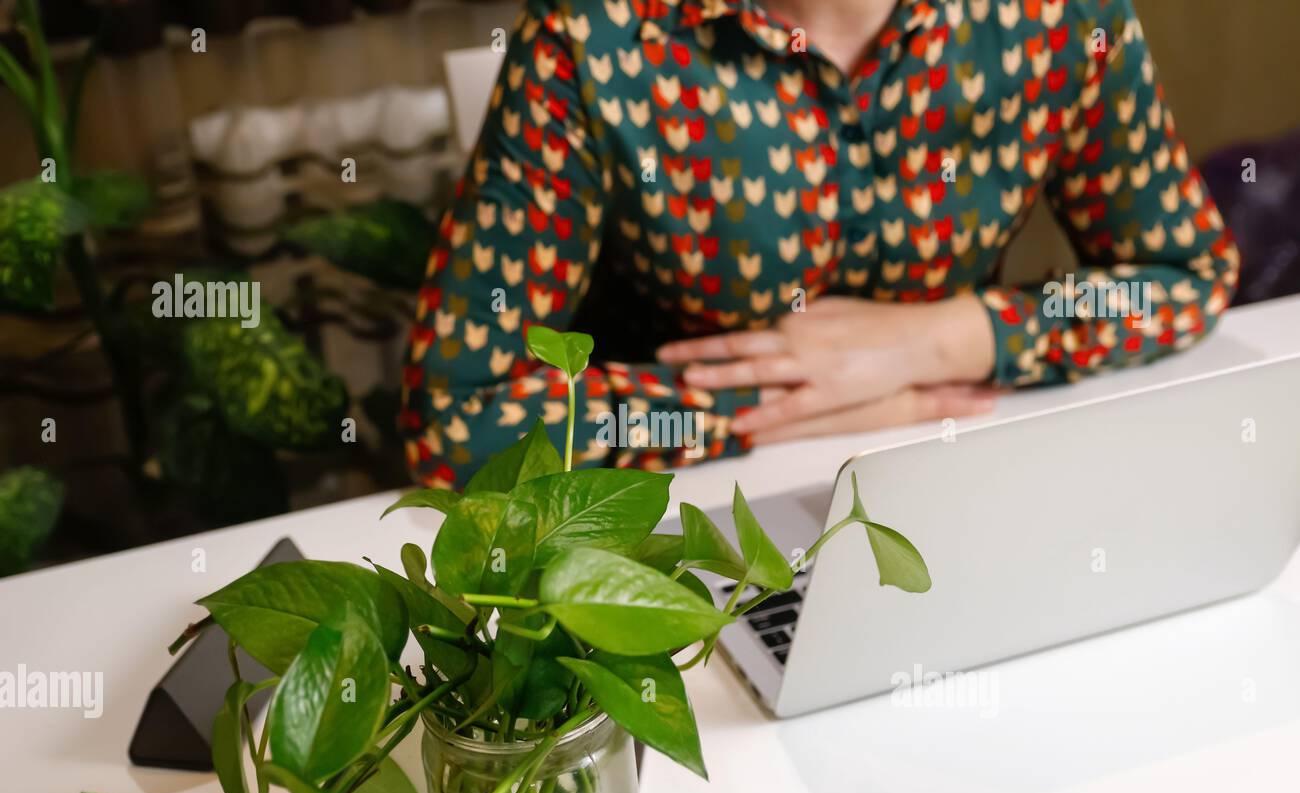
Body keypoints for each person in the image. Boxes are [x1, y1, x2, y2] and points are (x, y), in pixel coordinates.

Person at [400, 0, 1238, 487]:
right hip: (679, 521)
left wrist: (943, 337)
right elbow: (455, 419)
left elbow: (1188, 274)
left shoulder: (1061, 16)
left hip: (954, 469)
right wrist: (766, 407)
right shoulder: (590, 37)